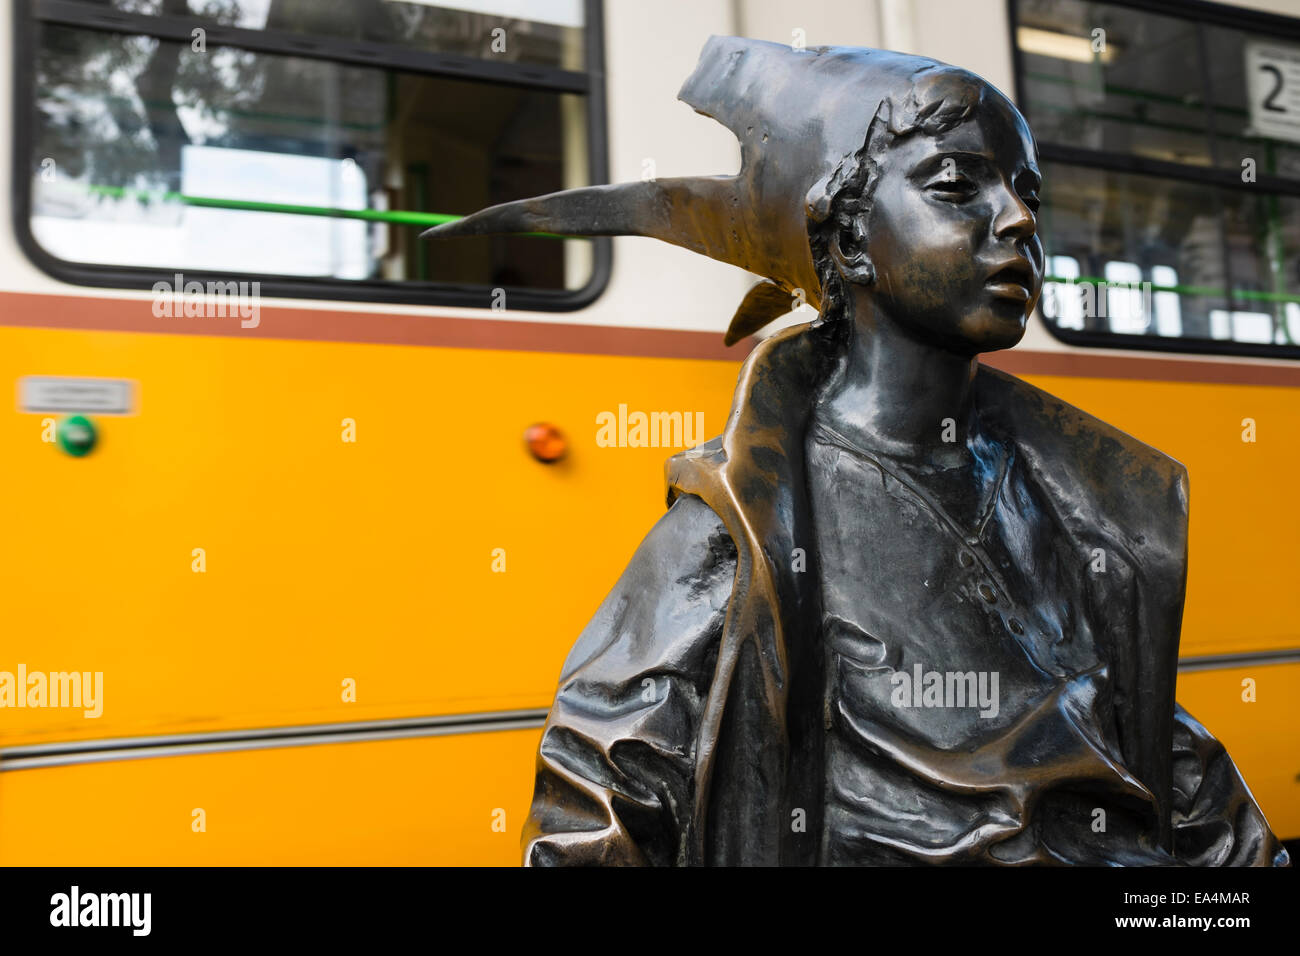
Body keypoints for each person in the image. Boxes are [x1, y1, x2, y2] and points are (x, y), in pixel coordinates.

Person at [423, 37, 1289, 867]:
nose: (1019, 219)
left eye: (1027, 191)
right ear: (847, 240)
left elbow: (1162, 759)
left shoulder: (1076, 500)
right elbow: (600, 803)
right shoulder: (744, 525)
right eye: (958, 187)